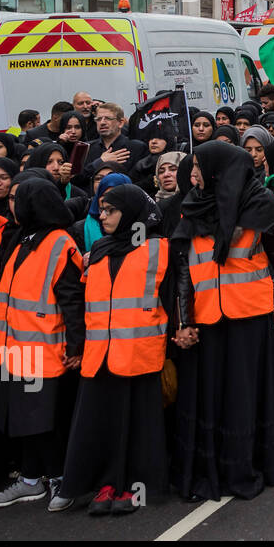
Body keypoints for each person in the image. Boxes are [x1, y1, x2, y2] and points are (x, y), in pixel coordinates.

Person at [169, 142, 274, 501]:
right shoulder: (191, 206)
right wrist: (185, 319)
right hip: (207, 318)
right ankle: (212, 472)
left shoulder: (260, 204)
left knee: (244, 397)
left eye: (198, 168)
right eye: (192, 168)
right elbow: (183, 270)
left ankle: (246, 467)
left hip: (249, 317)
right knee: (211, 397)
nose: (192, 175)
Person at [59, 185, 172, 515]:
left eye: (111, 210)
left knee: (137, 427)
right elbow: (83, 305)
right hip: (99, 357)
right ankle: (106, 483)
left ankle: (134, 487)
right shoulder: (97, 250)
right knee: (101, 424)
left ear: (132, 213)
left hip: (139, 354)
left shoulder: (158, 249)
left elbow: (172, 299)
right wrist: (77, 347)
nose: (103, 216)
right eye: (102, 210)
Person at [0, 178, 85, 513]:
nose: (13, 204)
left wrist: (76, 347)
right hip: (17, 350)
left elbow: (72, 301)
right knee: (26, 421)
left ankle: (58, 478)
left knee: (44, 423)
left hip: (45, 351)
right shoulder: (23, 237)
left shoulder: (59, 242)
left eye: (19, 198)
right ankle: (30, 480)